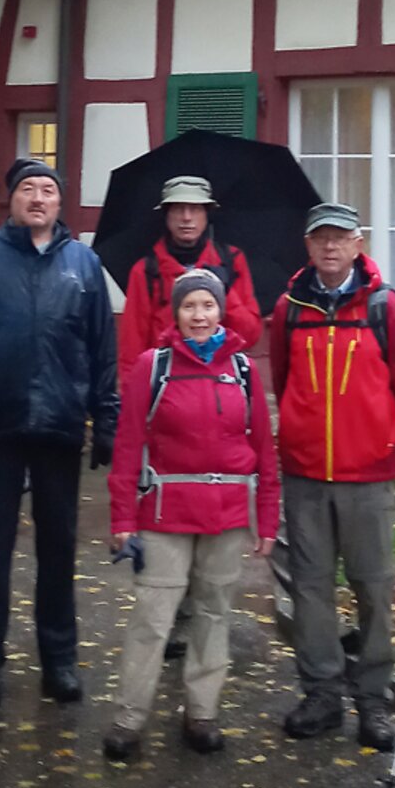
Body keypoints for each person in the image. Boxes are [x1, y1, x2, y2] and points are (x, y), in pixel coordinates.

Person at [0, 157, 118, 708]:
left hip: (59, 427)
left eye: (48, 191)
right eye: (27, 190)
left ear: (60, 204)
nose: (38, 198)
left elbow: (102, 349)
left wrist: (105, 417)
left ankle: (59, 659)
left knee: (58, 549)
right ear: (10, 201)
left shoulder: (83, 265)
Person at [103, 269, 279, 761]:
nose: (199, 315)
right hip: (165, 515)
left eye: (207, 306)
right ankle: (129, 717)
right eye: (189, 307)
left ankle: (202, 712)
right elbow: (128, 445)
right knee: (152, 619)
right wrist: (122, 519)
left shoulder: (242, 370)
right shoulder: (152, 367)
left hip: (227, 517)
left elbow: (264, 451)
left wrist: (267, 520)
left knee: (213, 613)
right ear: (175, 314)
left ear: (220, 310)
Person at [271, 202, 395, 752]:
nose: (330, 248)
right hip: (306, 473)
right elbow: (283, 377)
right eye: (320, 239)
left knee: (373, 587)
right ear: (308, 246)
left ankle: (373, 701)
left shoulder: (385, 308)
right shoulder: (288, 309)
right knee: (311, 589)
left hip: (367, 473)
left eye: (340, 238)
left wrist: (392, 455)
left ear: (358, 243)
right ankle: (321, 694)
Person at [116, 176, 264, 365]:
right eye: (178, 209)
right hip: (168, 383)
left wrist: (225, 291)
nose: (186, 217)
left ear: (206, 215)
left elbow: (250, 335)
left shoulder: (232, 261)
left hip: (221, 380)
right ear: (166, 216)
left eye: (195, 209)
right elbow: (131, 348)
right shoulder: (146, 271)